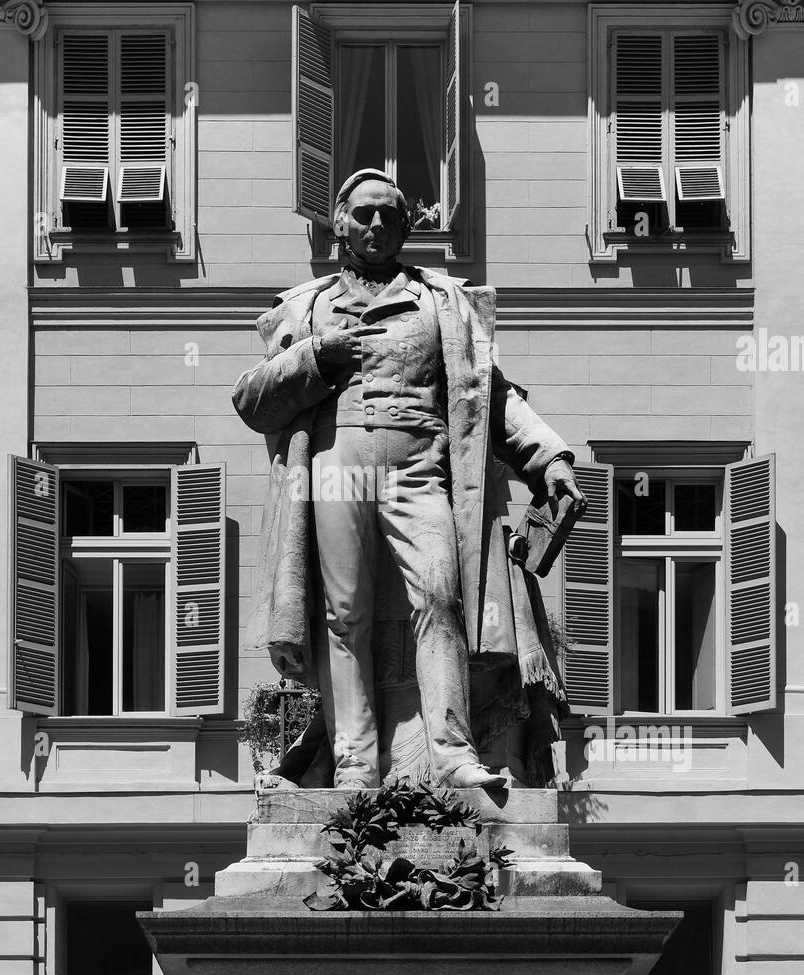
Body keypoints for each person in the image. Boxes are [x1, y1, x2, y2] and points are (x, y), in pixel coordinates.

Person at [233, 169, 585, 790]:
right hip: (336, 464)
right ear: (338, 223)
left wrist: (551, 458)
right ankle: (355, 762)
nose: (375, 225)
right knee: (344, 615)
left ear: (406, 227)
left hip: (420, 464)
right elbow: (252, 401)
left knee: (440, 599)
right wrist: (316, 355)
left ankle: (451, 753)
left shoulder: (441, 302)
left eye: (389, 216)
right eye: (363, 214)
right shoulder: (305, 308)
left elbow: (491, 398)